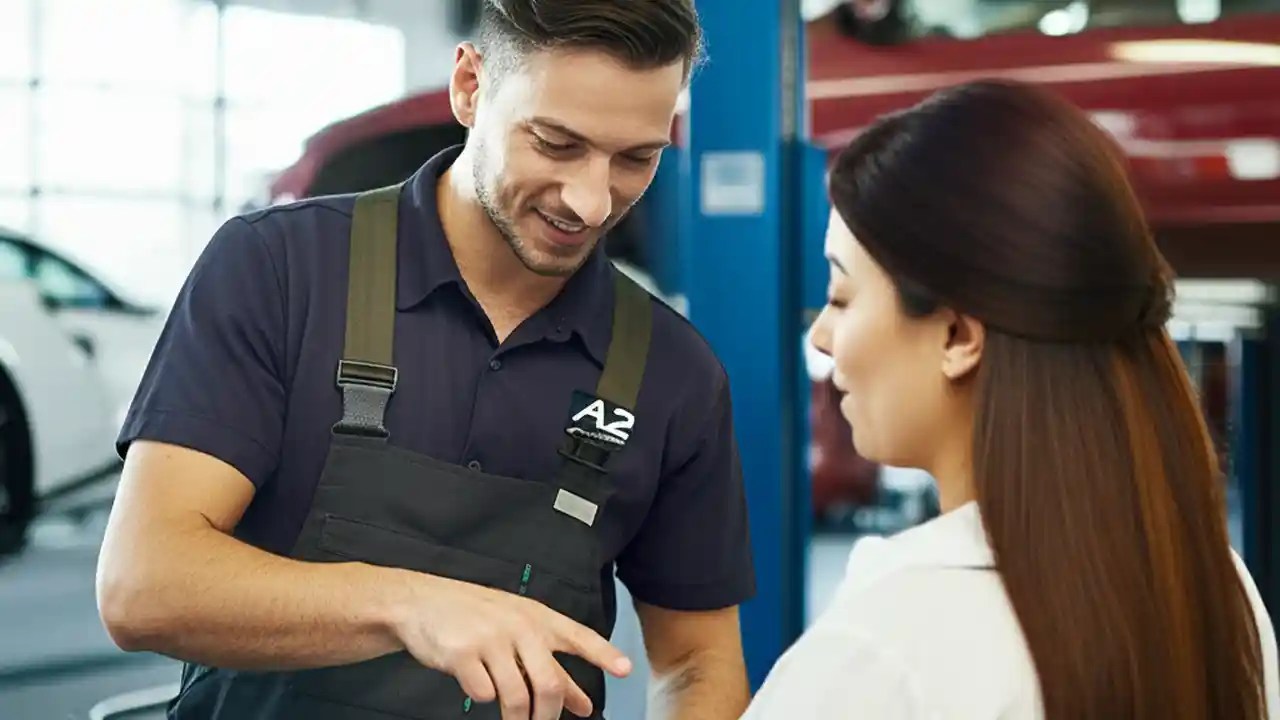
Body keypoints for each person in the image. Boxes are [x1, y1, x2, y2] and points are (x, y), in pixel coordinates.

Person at [94, 2, 757, 719]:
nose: (592, 202)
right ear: (470, 87)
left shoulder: (674, 373)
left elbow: (698, 664)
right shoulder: (280, 271)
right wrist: (407, 604)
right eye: (556, 142)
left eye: (636, 158)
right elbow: (144, 586)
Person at [742, 79, 1279, 719]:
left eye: (840, 296)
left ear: (957, 335)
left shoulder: (886, 649)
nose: (823, 337)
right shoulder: (1220, 590)